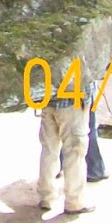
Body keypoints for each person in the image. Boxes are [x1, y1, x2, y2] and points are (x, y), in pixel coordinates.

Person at [38, 77, 96, 215]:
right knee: (74, 152)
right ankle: (74, 202)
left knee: (49, 150)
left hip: (48, 101)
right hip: (73, 104)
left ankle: (46, 197)